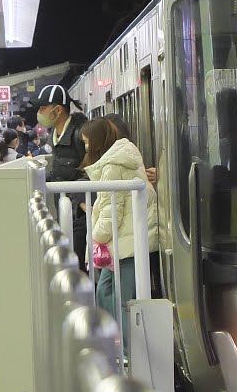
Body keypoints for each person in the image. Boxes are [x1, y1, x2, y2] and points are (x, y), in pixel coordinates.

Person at [81, 117, 158, 347]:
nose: (85, 147)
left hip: (126, 242)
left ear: (96, 142)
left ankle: (127, 349)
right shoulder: (119, 158)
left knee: (121, 297)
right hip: (124, 241)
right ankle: (116, 342)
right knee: (106, 290)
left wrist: (96, 240)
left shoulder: (113, 165)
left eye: (86, 142)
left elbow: (110, 208)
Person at [33, 85, 89, 271]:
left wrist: (81, 203)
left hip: (79, 214)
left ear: (57, 110)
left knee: (79, 265)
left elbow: (92, 170)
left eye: (43, 108)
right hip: (66, 211)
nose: (39, 113)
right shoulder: (55, 135)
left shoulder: (80, 133)